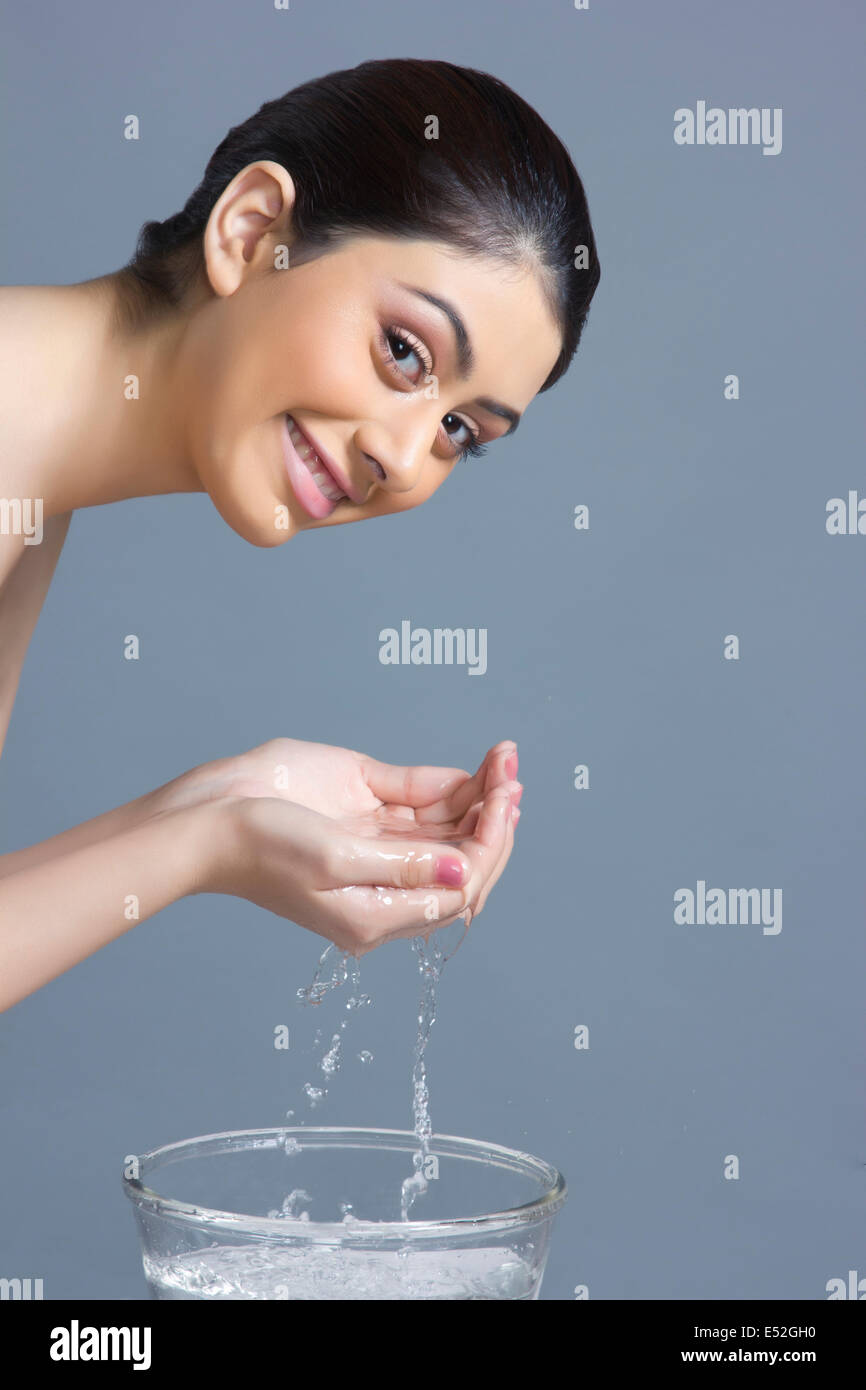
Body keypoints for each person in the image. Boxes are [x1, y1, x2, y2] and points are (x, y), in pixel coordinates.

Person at [0, 58, 600, 1012]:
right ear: (252, 231)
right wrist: (201, 847)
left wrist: (217, 811)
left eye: (460, 432)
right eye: (405, 352)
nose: (406, 459)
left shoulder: (33, 477)